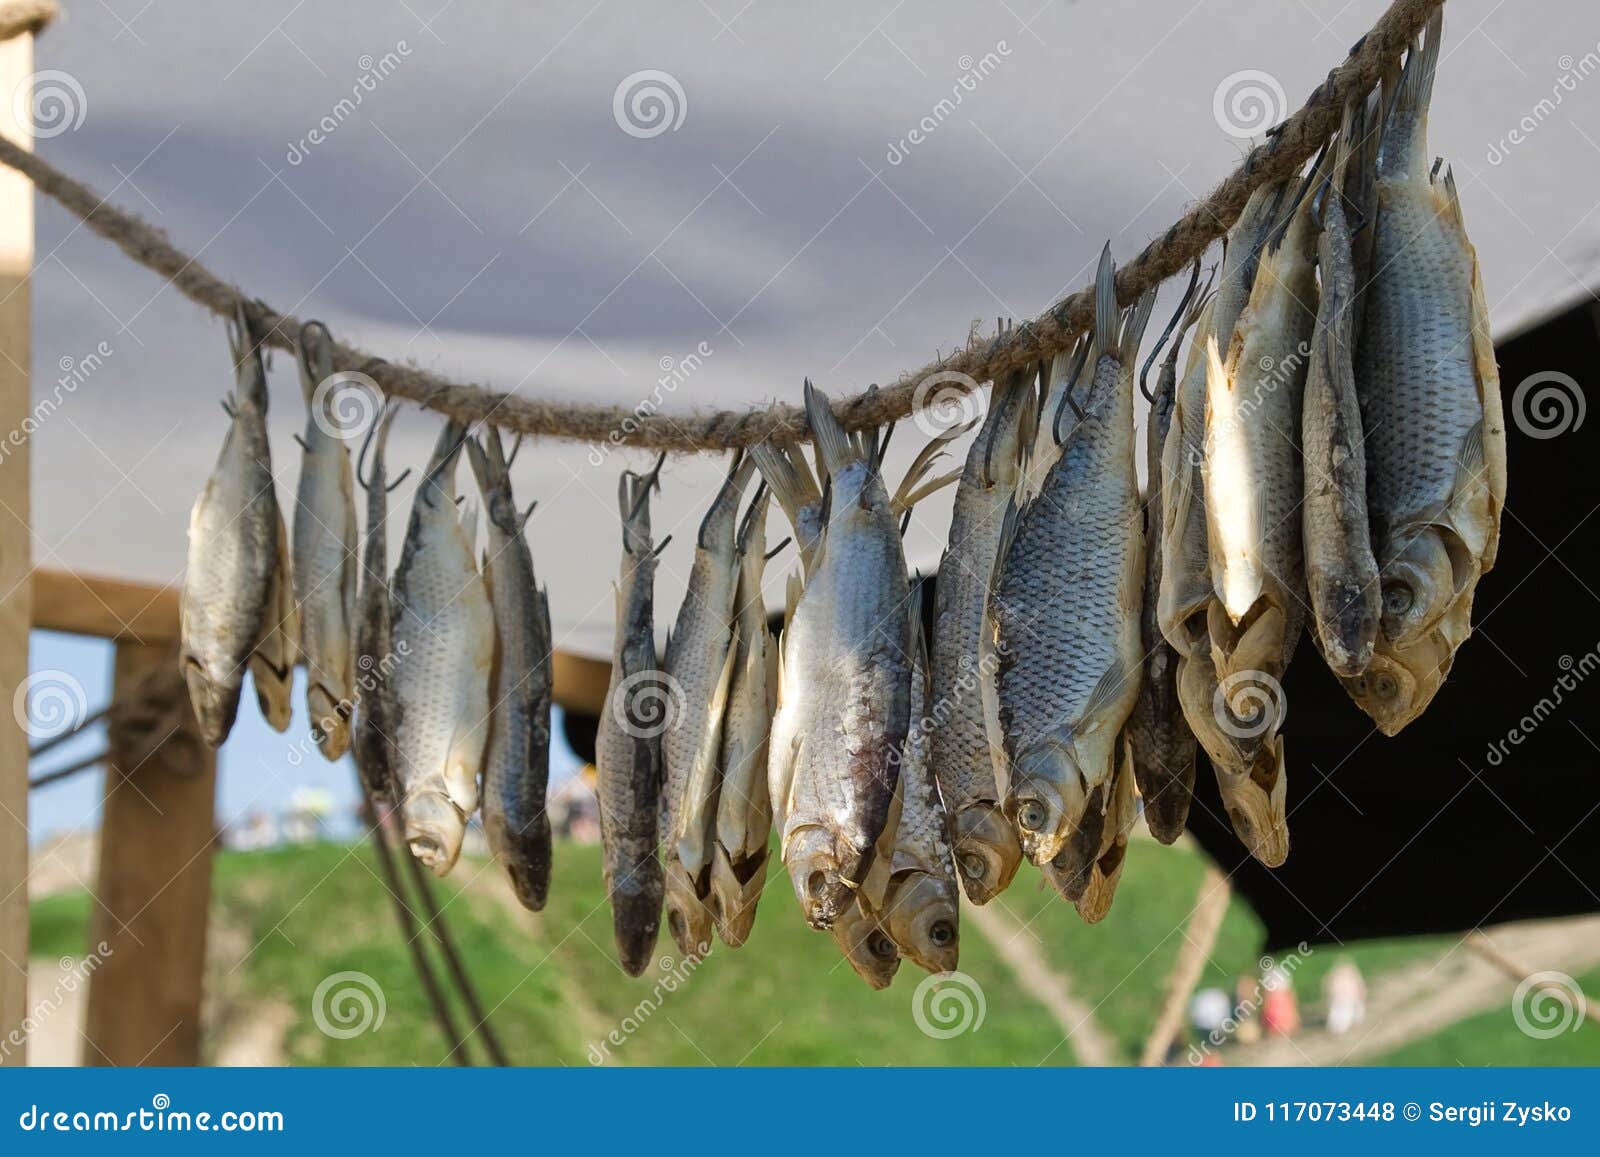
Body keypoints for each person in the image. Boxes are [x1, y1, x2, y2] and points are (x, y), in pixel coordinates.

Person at [1324, 958, 1367, 1035]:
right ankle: (1337, 1027)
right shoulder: (1337, 981)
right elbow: (1330, 989)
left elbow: (1360, 989)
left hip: (1348, 1001)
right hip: (1340, 1001)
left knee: (1349, 1013)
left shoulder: (1352, 981)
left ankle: (1343, 1027)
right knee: (1338, 1014)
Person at [1261, 963, 1300, 1036]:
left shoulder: (1271, 974)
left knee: (1279, 1025)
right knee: (1280, 1025)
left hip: (1278, 999)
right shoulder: (1278, 973)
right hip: (1278, 999)